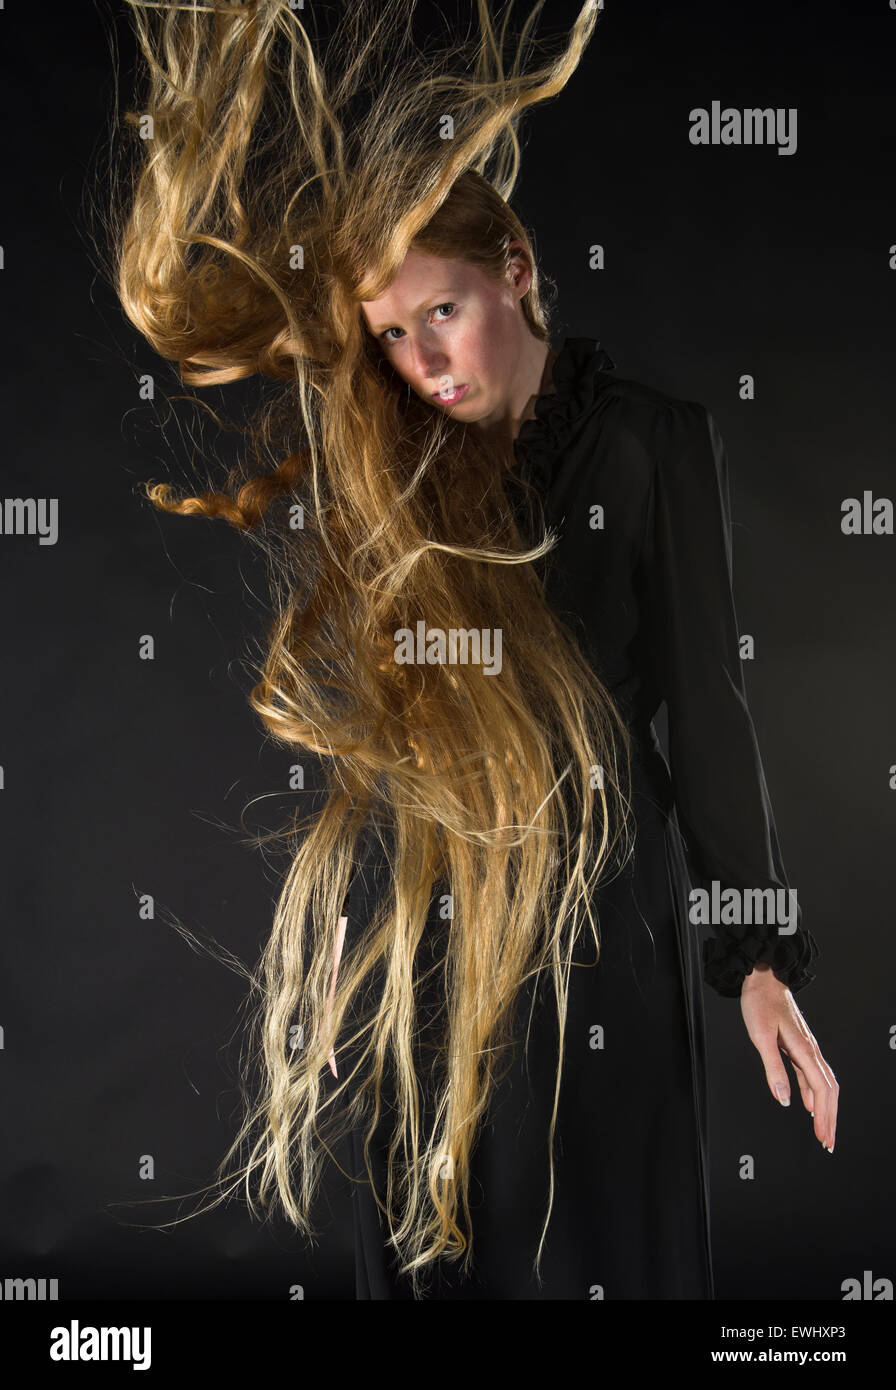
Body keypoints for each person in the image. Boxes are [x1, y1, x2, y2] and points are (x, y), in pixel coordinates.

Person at [103, 0, 836, 1300]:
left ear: (513, 264)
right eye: (389, 333)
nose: (419, 360)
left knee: (601, 1228)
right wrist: (342, 919)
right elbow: (382, 713)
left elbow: (707, 711)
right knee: (437, 1233)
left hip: (604, 904)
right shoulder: (397, 463)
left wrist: (759, 958)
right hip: (427, 897)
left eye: (439, 311)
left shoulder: (653, 443)